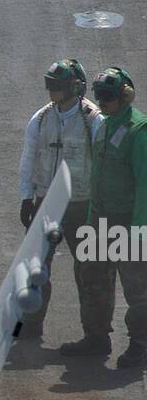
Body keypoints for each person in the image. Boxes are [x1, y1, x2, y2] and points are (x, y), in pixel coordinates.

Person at [61, 67, 147, 367]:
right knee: (93, 276)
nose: (104, 102)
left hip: (130, 221)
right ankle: (96, 337)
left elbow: (145, 184)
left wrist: (139, 230)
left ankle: (140, 344)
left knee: (137, 287)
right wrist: (90, 216)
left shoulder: (139, 132)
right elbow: (97, 174)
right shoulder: (104, 125)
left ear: (125, 95)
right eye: (100, 97)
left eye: (109, 97)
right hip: (101, 219)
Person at [17, 59, 102, 340]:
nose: (51, 91)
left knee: (89, 272)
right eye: (49, 85)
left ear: (75, 87)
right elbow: (29, 158)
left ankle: (95, 335)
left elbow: (102, 165)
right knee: (36, 268)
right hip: (46, 205)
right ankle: (31, 326)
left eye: (57, 86)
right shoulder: (41, 119)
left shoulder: (93, 120)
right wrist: (26, 197)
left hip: (82, 205)